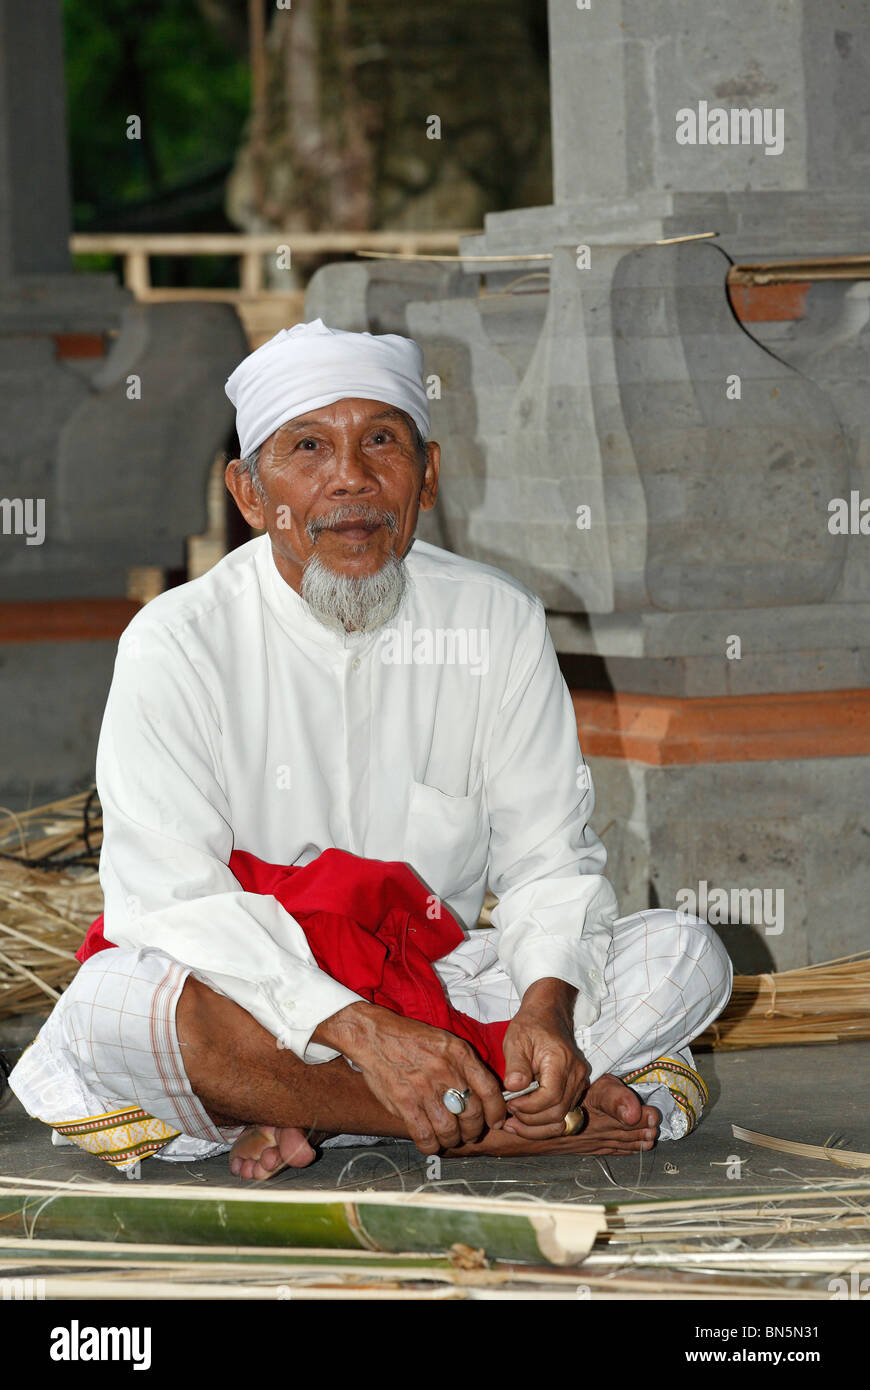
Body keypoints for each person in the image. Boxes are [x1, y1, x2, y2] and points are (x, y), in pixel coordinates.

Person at [9, 319, 731, 1181]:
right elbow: (169, 901)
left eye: (381, 441)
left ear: (426, 478)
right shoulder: (178, 641)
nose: (349, 478)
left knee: (686, 951)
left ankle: (338, 1109)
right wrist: (358, 1030)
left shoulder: (495, 619)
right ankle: (477, 1119)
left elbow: (551, 861)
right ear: (248, 492)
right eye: (308, 447)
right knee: (111, 1005)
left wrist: (545, 1006)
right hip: (261, 999)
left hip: (445, 986)